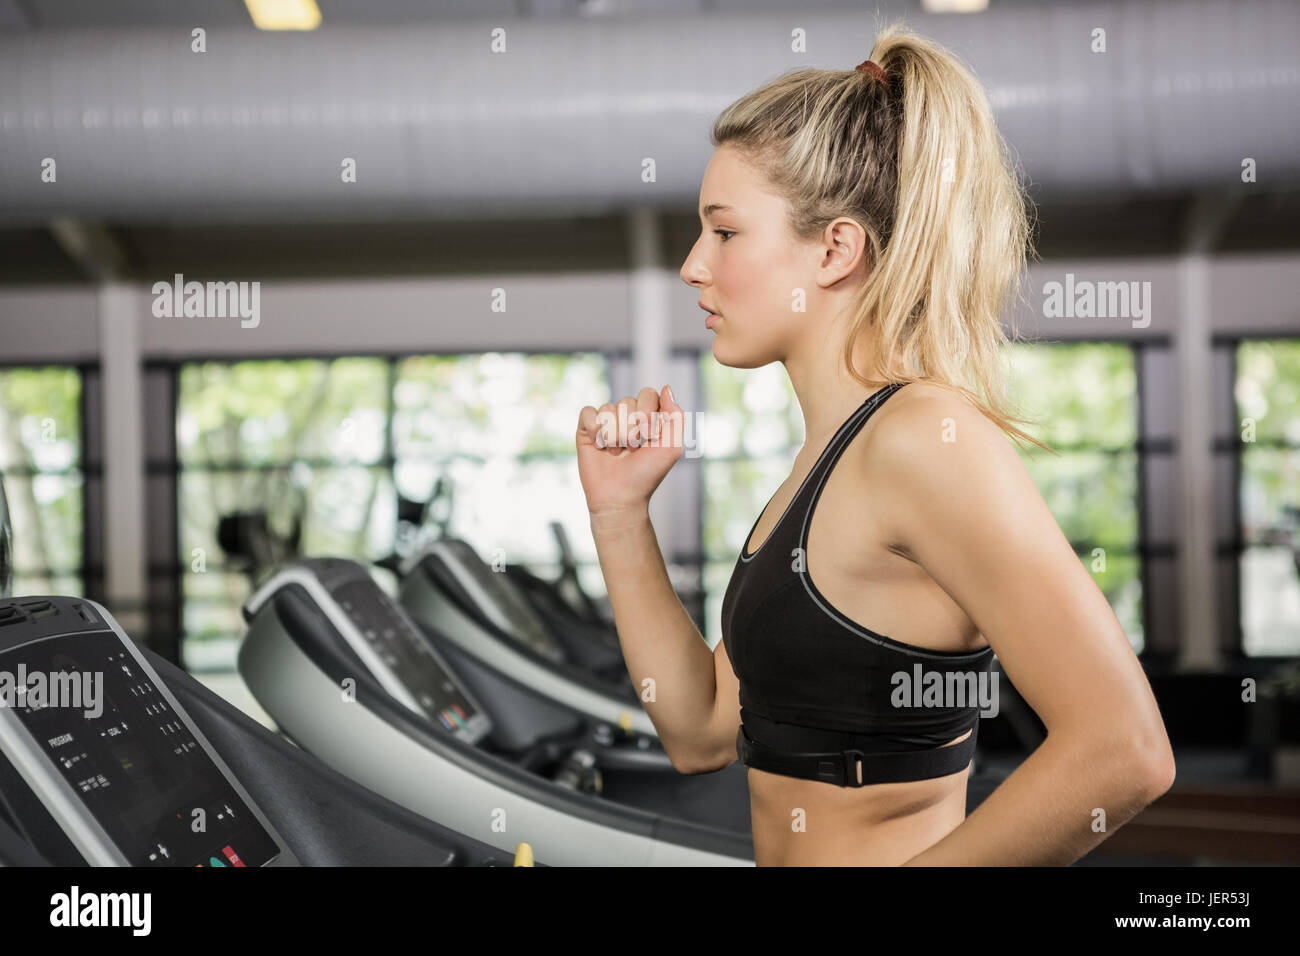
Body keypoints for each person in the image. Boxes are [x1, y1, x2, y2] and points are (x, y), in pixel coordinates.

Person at [574, 23, 1174, 866]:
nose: (692, 266)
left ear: (835, 249)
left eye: (725, 231)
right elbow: (700, 730)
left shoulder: (924, 441)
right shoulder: (826, 463)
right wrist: (619, 512)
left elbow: (1124, 750)